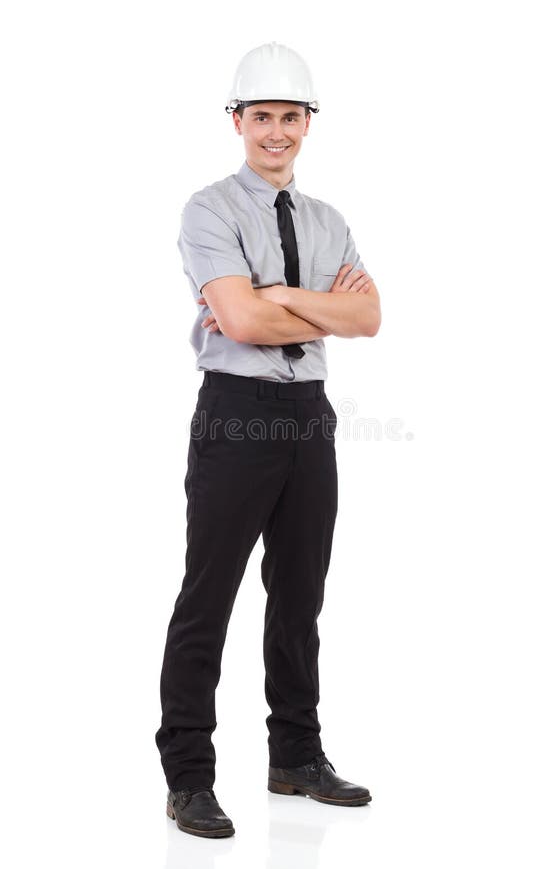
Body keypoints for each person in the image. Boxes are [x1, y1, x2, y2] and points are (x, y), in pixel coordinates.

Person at [155, 41, 381, 838]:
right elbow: (242, 324)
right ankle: (188, 777)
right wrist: (311, 304)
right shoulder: (209, 209)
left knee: (299, 598)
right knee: (208, 596)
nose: (276, 131)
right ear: (237, 121)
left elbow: (370, 318)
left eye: (290, 116)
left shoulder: (329, 220)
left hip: (308, 416)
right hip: (234, 411)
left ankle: (296, 756)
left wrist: (276, 291)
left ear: (308, 123)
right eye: (262, 117)